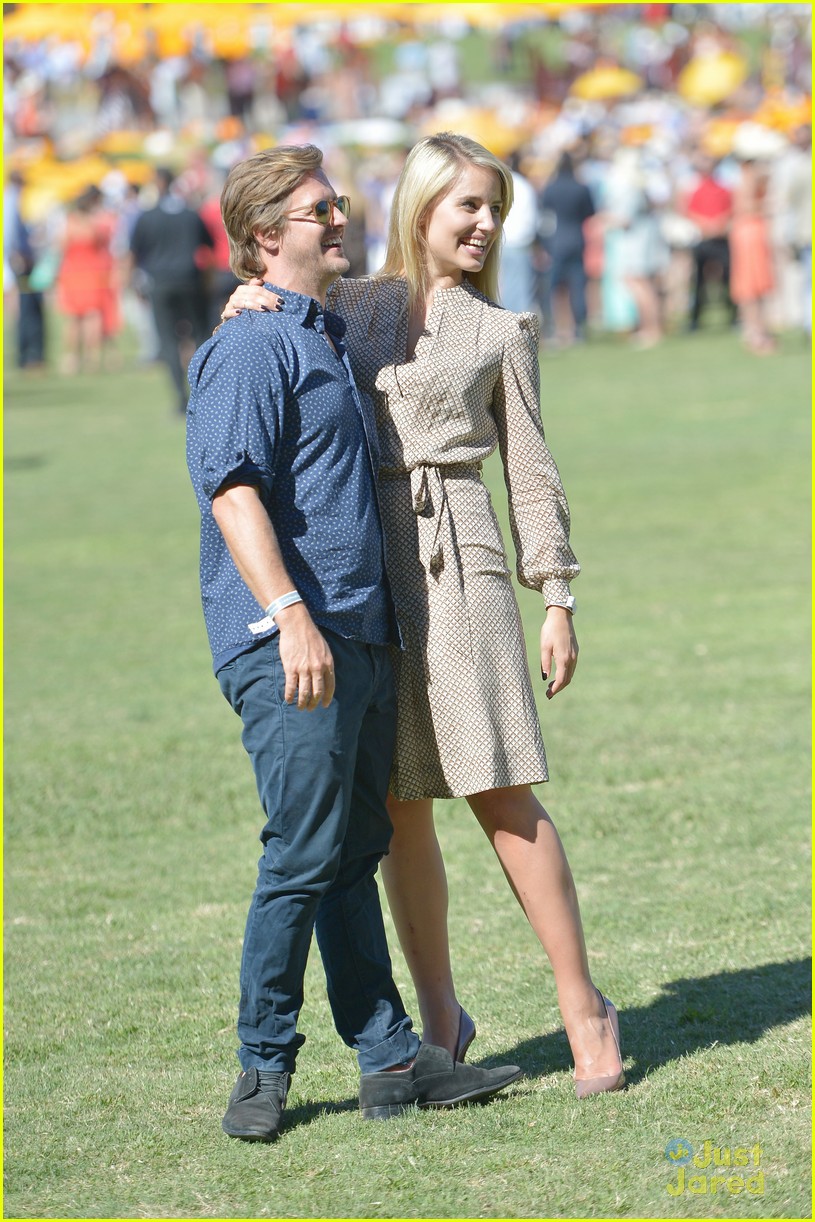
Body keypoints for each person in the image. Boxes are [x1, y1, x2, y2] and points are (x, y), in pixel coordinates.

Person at [222, 133, 625, 1100]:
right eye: (468, 206)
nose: (485, 224)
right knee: (398, 803)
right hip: (359, 572)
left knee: (500, 791)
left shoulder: (502, 331)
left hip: (465, 560)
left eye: (496, 208)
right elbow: (270, 336)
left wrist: (557, 596)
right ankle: (438, 1019)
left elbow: (531, 470)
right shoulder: (347, 307)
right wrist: (245, 302)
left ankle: (584, 1008)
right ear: (421, 208)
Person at [186, 144, 522, 1142]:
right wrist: (289, 614)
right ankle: (262, 1065)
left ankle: (385, 1059)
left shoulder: (326, 330)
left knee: (352, 847)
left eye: (337, 203)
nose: (338, 218)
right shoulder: (248, 346)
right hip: (294, 637)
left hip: (361, 635)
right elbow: (231, 487)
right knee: (301, 852)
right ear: (261, 237)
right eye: (317, 209)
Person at [130, 166, 213, 413]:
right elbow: (207, 247)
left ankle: (180, 399)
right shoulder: (190, 213)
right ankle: (206, 394)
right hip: (190, 280)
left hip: (161, 283)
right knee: (200, 337)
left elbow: (134, 252)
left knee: (168, 340)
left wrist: (135, 283)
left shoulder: (147, 215)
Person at [539, 151, 595, 344]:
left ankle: (556, 328)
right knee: (577, 285)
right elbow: (590, 212)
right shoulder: (581, 188)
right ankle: (577, 328)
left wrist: (544, 244)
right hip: (576, 239)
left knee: (554, 287)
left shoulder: (551, 188)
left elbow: (545, 216)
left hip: (556, 241)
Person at [684, 153, 737, 332]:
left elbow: (731, 209)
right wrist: (706, 225)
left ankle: (734, 316)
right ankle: (695, 319)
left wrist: (718, 224)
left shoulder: (724, 188)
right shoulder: (696, 189)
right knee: (698, 281)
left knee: (728, 279)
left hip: (721, 239)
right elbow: (690, 211)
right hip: (704, 239)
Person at [729, 158, 776, 355]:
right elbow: (746, 206)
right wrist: (772, 205)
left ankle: (756, 330)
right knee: (752, 285)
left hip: (749, 231)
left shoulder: (746, 176)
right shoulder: (750, 176)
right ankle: (756, 332)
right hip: (750, 232)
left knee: (753, 285)